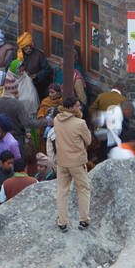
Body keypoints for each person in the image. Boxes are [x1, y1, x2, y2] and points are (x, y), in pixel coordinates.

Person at [53, 97, 93, 232]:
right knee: (83, 189)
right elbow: (88, 141)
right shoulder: (80, 123)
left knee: (62, 191)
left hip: (62, 161)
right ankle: (83, 220)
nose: (80, 108)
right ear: (71, 108)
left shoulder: (56, 120)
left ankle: (62, 222)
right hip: (77, 162)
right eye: (77, 106)